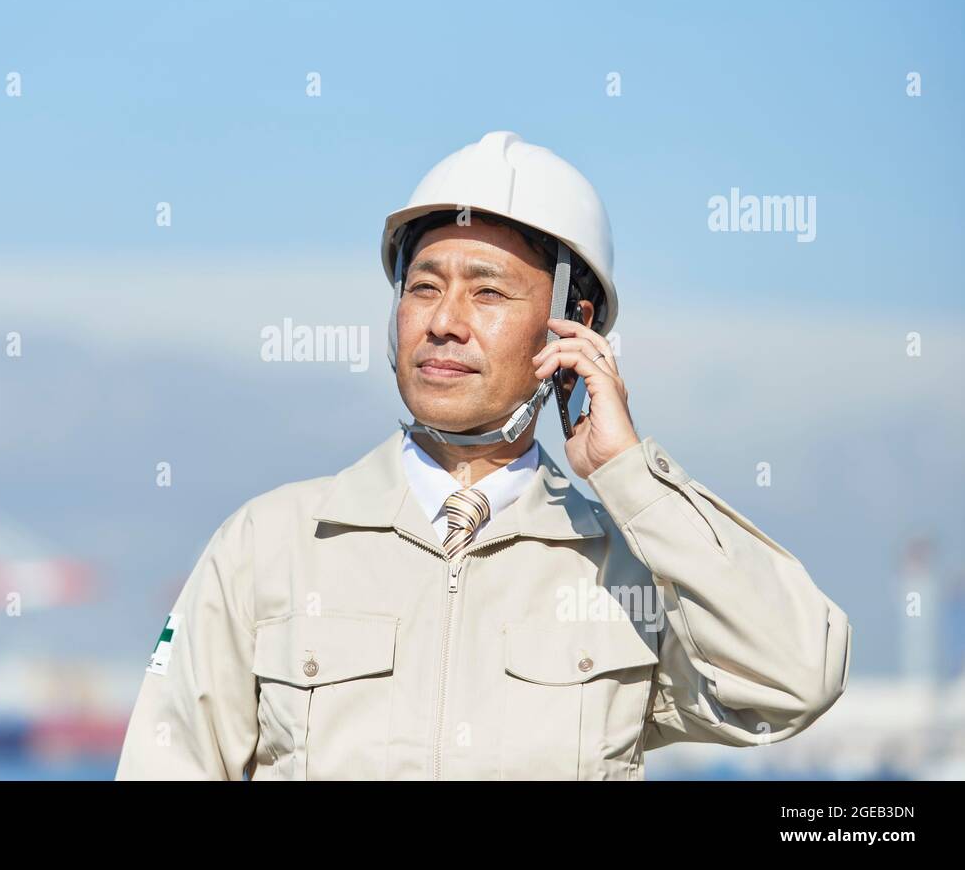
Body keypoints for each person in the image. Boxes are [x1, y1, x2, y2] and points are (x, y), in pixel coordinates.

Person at [115, 130, 851, 780]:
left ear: (574, 326)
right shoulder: (269, 545)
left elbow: (797, 677)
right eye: (423, 287)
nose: (443, 322)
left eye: (488, 293)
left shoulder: (627, 569)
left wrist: (631, 477)